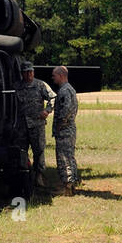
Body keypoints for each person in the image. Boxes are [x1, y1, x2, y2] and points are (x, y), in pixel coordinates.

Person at [14, 60, 55, 188]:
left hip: (37, 125)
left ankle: (39, 176)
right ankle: (24, 175)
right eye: (26, 72)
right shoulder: (16, 86)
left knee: (39, 152)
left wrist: (47, 111)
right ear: (22, 74)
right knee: (22, 152)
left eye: (31, 72)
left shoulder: (40, 85)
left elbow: (54, 97)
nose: (29, 74)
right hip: (21, 127)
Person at [50, 65, 79, 195]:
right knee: (69, 156)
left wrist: (60, 125)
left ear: (61, 76)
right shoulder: (69, 89)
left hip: (65, 130)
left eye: (54, 75)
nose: (52, 78)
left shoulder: (64, 91)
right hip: (69, 128)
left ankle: (67, 187)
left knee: (64, 158)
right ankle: (72, 184)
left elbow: (66, 111)